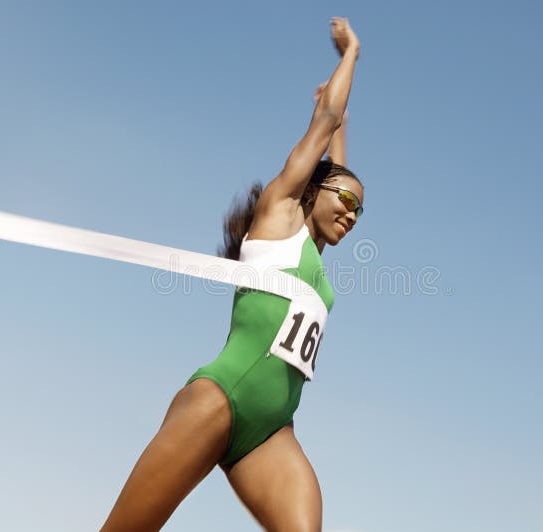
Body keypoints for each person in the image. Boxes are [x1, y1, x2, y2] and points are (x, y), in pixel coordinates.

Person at [101, 17, 364, 532]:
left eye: (362, 212)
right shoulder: (280, 215)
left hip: (272, 433)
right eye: (348, 201)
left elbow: (337, 154)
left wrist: (343, 128)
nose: (353, 215)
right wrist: (351, 54)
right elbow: (325, 123)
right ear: (314, 190)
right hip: (218, 403)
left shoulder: (311, 251)